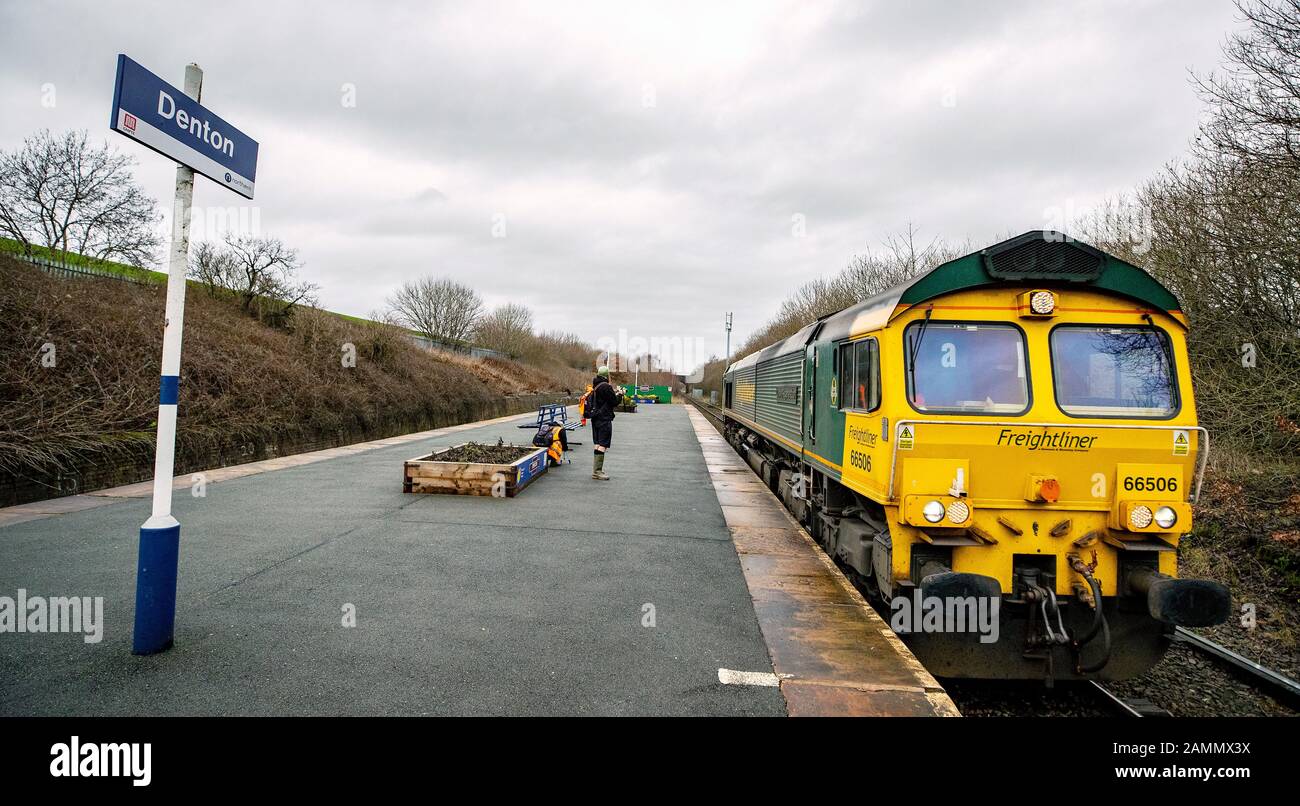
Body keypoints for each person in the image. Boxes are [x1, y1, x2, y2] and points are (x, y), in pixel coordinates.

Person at [585, 366, 619, 480]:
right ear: (606, 375)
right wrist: (620, 394)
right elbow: (614, 402)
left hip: (595, 418)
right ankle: (597, 471)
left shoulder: (596, 386)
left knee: (598, 443)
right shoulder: (606, 386)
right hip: (604, 419)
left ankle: (596, 470)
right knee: (603, 444)